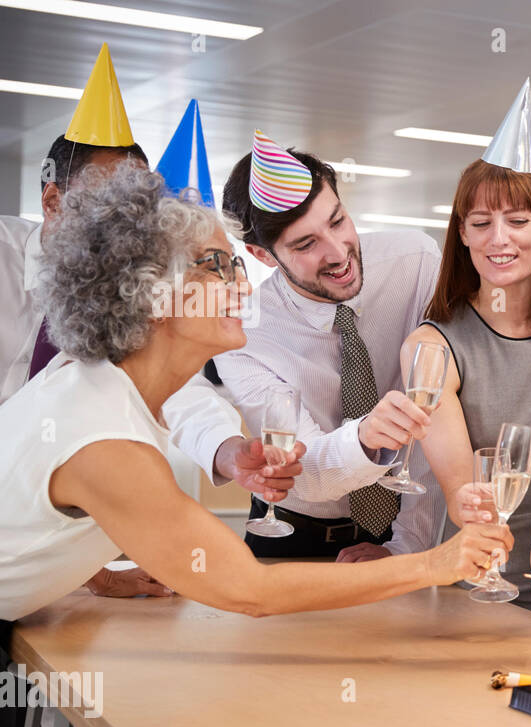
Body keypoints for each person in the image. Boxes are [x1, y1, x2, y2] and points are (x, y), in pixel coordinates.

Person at [0, 163, 509, 628]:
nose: (243, 286)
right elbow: (251, 589)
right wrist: (435, 564)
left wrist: (95, 572)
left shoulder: (91, 388)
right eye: (216, 265)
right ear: (154, 296)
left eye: (236, 264)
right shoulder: (105, 437)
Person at [347, 157, 531, 618]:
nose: (499, 238)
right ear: (462, 233)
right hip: (485, 591)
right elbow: (462, 495)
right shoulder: (433, 346)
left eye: (518, 220)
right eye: (481, 222)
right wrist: (469, 503)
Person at [178, 133, 440, 558]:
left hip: (397, 528)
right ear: (263, 256)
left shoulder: (417, 263)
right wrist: (367, 435)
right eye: (306, 244)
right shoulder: (245, 332)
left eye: (337, 221)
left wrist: (407, 542)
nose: (338, 253)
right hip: (291, 536)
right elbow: (308, 470)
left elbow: (435, 420)